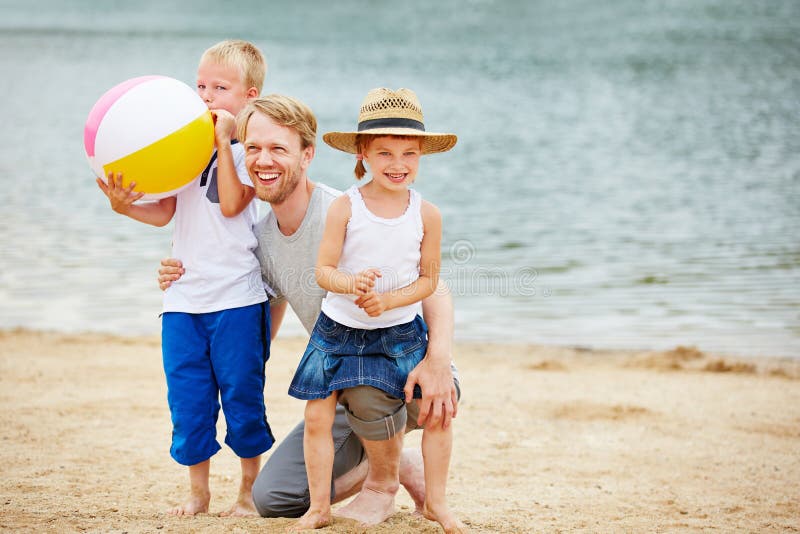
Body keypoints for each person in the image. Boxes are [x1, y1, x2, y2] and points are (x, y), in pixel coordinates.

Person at [158, 94, 461, 526]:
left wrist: (438, 361)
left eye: (279, 149)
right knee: (274, 499)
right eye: (253, 148)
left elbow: (435, 286)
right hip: (338, 378)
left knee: (364, 380)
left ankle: (383, 479)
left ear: (307, 155)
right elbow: (265, 302)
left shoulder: (347, 211)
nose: (263, 160)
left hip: (406, 370)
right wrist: (177, 271)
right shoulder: (262, 238)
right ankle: (399, 463)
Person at [97, 40, 273, 517]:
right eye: (200, 86)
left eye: (220, 88)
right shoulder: (186, 150)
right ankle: (198, 492)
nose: (207, 97)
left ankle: (248, 487)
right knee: (189, 398)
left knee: (241, 394)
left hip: (237, 297)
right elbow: (165, 214)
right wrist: (124, 205)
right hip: (183, 300)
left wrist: (223, 141)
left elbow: (234, 204)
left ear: (249, 97)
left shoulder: (254, 155)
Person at [285, 87, 463, 533]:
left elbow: (429, 280)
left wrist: (391, 299)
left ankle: (437, 503)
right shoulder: (347, 207)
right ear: (363, 152)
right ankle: (319, 508)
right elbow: (323, 271)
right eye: (384, 152)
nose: (397, 164)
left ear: (422, 155)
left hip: (400, 331)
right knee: (316, 416)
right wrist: (351, 283)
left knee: (439, 409)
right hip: (338, 330)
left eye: (409, 153)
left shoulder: (428, 214)